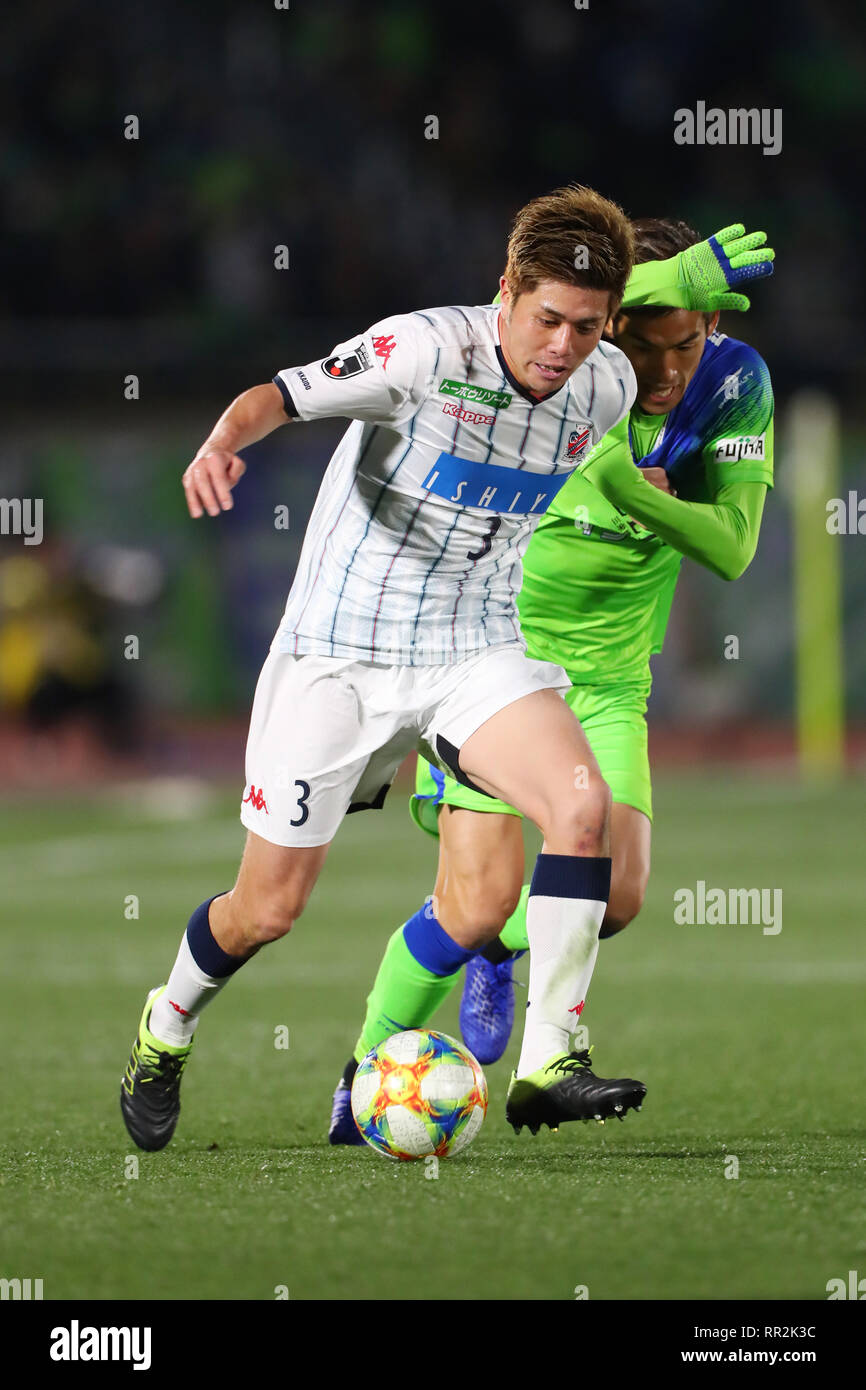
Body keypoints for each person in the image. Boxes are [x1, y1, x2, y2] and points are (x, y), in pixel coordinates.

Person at [328, 217, 776, 1144]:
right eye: (639, 342)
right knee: (474, 903)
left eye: (684, 343)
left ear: (712, 331)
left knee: (618, 895)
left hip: (611, 683)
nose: (663, 372)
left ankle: (502, 950)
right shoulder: (549, 387)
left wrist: (634, 489)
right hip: (497, 671)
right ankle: (365, 1064)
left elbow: (732, 549)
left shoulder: (735, 385)